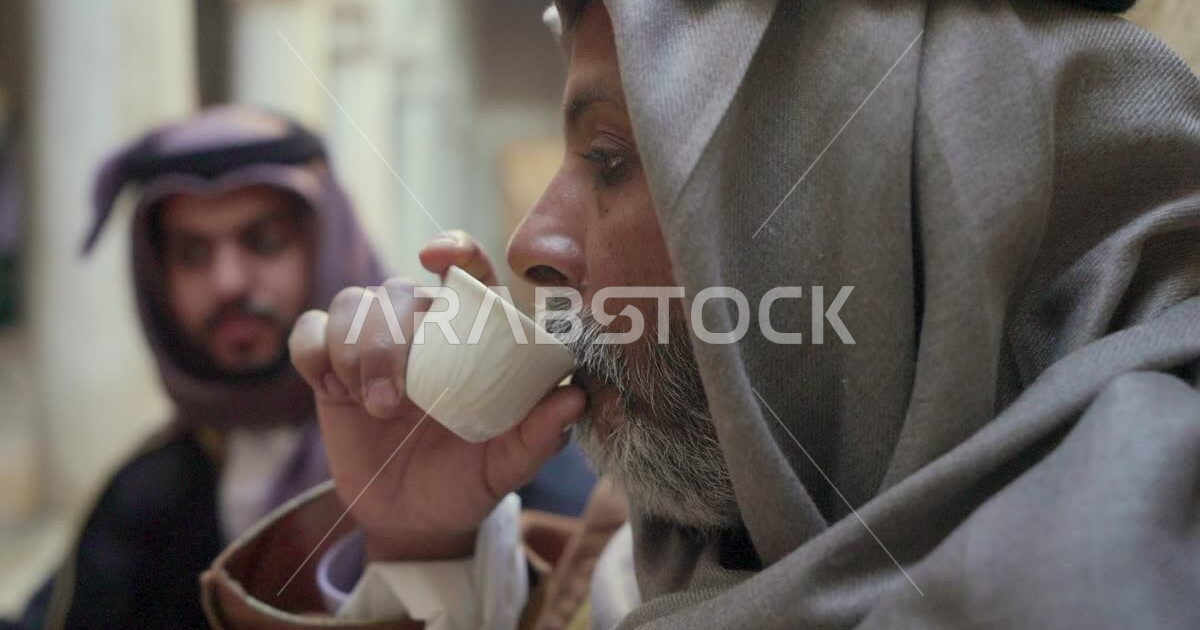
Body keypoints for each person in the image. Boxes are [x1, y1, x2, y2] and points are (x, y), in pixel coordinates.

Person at [203, 0, 1200, 628]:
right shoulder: (653, 546)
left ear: (858, 214)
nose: (531, 245)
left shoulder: (1134, 567)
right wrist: (424, 546)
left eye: (609, 161)